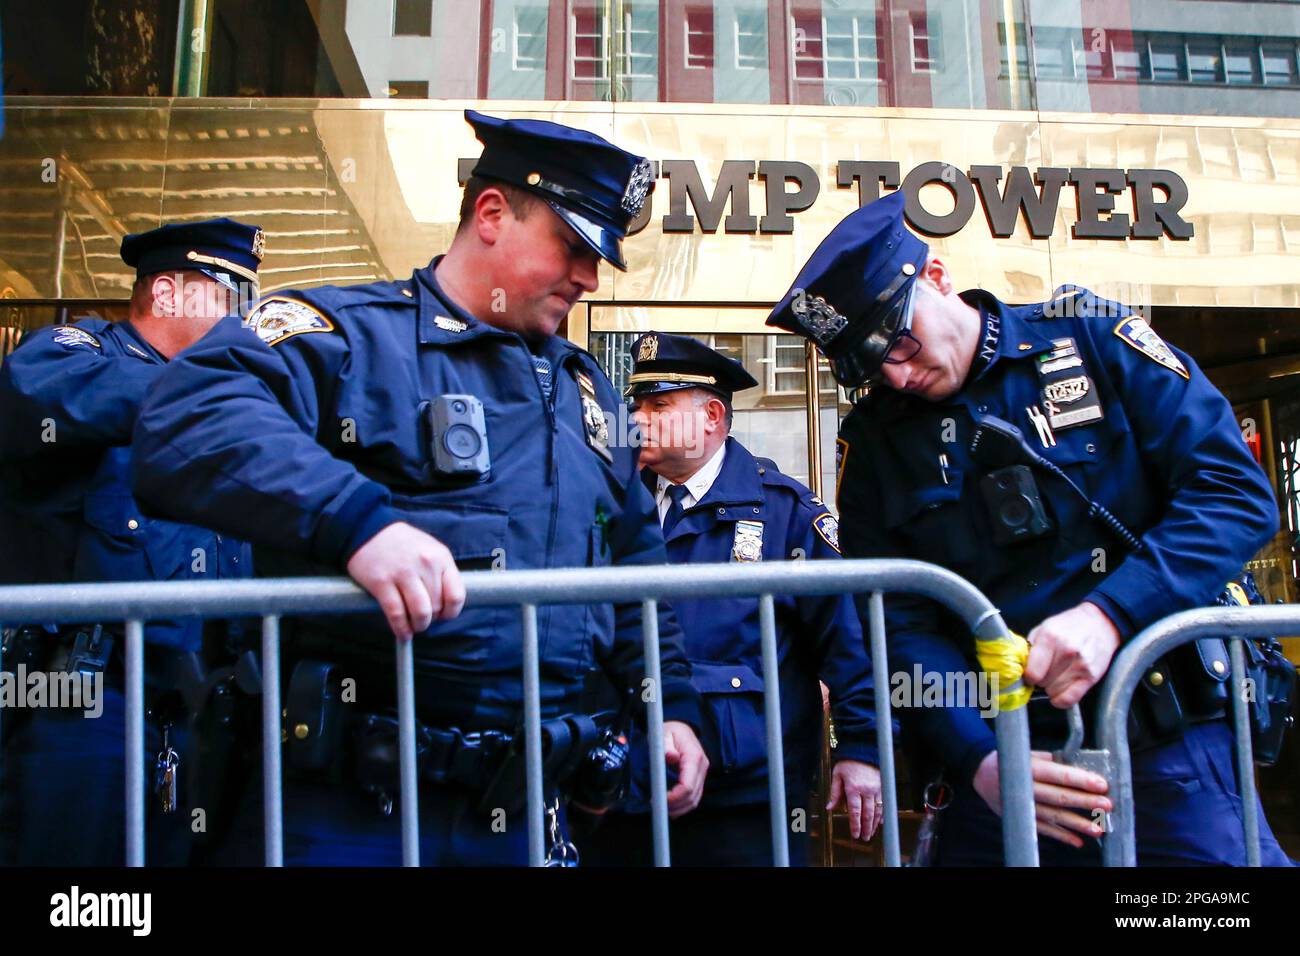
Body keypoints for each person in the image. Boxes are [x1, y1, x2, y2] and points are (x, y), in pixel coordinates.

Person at [130, 110, 707, 866]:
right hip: (350, 811)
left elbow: (635, 561)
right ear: (492, 214)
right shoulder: (344, 334)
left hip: (525, 808)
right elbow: (186, 420)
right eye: (571, 246)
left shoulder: (588, 392)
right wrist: (356, 524)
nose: (589, 276)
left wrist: (670, 706)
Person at [765, 189, 1295, 866]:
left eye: (898, 340)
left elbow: (1234, 494)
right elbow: (896, 617)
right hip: (1001, 771)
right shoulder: (874, 444)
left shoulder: (1091, 336)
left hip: (1165, 743)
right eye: (871, 366)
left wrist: (1110, 614)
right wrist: (979, 757)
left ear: (936, 277)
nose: (897, 374)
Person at [0, 219, 262, 865]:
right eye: (230, 296)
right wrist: (222, 393)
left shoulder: (227, 404)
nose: (244, 318)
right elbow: (38, 395)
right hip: (78, 700)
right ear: (168, 293)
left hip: (198, 707)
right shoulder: (74, 355)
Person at [583, 332, 886, 866]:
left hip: (746, 796)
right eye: (636, 405)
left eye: (659, 405)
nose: (637, 419)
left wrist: (862, 748)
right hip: (624, 785)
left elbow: (848, 638)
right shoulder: (612, 504)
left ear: (711, 416)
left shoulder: (784, 512)